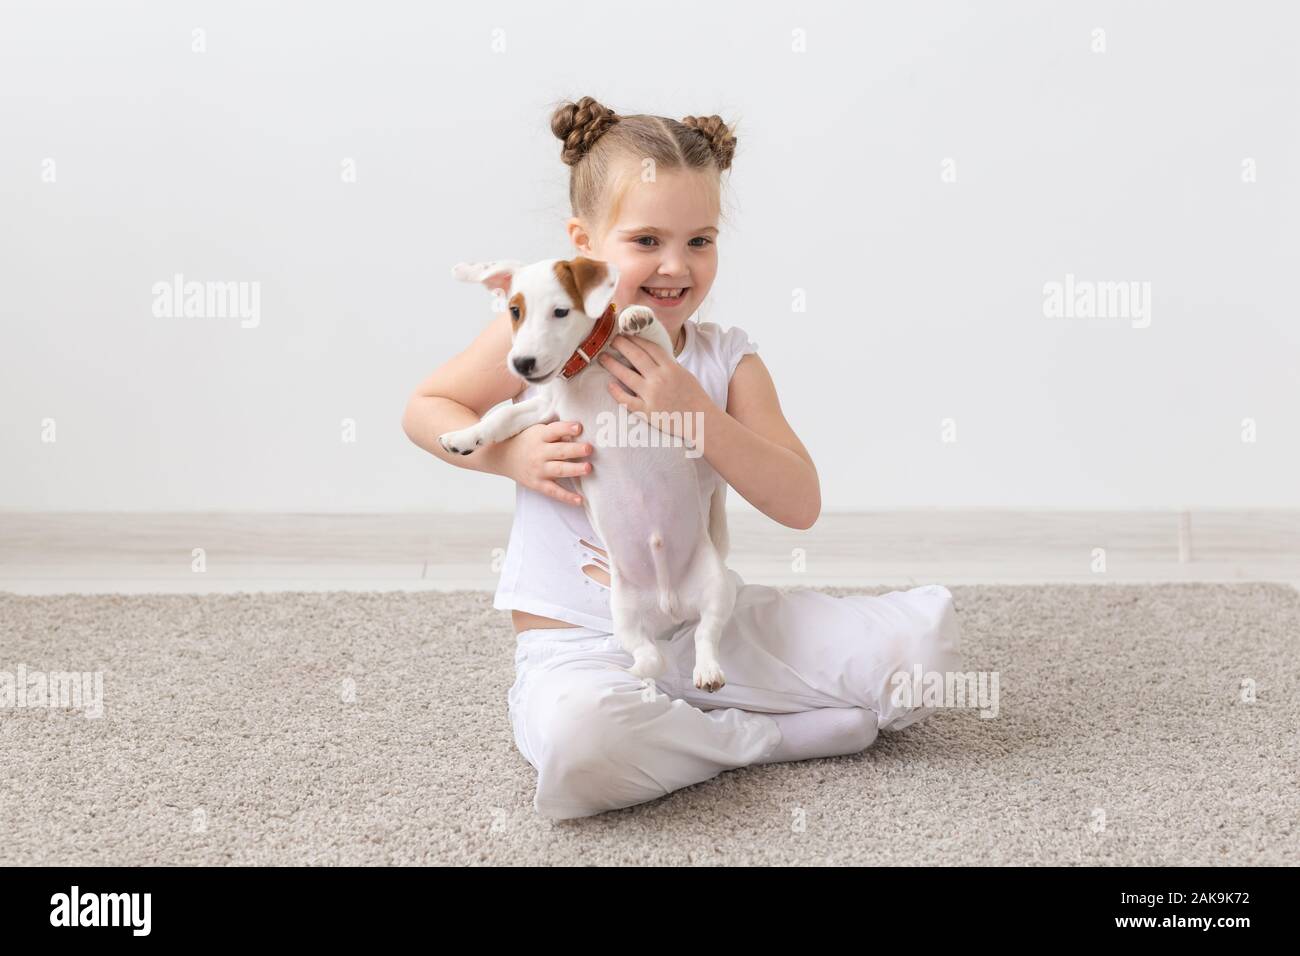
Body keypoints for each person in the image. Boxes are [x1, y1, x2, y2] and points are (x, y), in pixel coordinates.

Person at [402, 95, 962, 820]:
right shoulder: (545, 326)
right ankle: (760, 738)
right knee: (584, 745)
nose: (676, 266)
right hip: (581, 647)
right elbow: (426, 409)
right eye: (645, 241)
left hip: (706, 630)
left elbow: (799, 503)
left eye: (701, 240)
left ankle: (694, 726)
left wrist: (697, 415)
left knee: (921, 660)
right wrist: (509, 456)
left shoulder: (727, 358)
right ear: (584, 248)